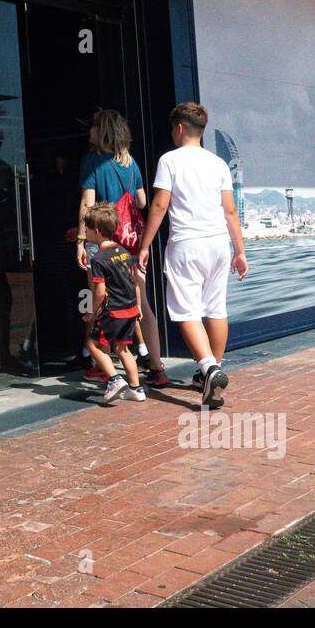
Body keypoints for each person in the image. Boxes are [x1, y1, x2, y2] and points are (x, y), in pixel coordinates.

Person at [137, 103, 247, 409]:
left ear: (180, 128)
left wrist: (145, 246)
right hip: (218, 245)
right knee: (216, 308)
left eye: (173, 128)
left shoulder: (170, 160)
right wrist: (240, 251)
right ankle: (211, 372)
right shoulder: (219, 164)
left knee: (186, 312)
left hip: (187, 245)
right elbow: (230, 211)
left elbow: (159, 206)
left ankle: (209, 368)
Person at [77, 109, 166, 382]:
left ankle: (102, 365)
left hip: (103, 242)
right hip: (130, 243)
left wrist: (81, 241)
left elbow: (87, 204)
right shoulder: (131, 163)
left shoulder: (92, 161)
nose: (89, 131)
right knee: (141, 303)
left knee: (100, 300)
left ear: (101, 131)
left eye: (92, 126)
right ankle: (156, 365)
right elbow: (140, 202)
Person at [83, 202, 144, 404]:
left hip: (114, 311)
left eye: (87, 228)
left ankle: (115, 380)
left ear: (97, 231)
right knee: (123, 349)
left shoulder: (99, 259)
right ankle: (136, 389)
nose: (85, 231)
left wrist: (93, 312)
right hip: (130, 309)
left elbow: (100, 291)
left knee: (94, 344)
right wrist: (139, 307)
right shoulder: (125, 252)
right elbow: (135, 283)